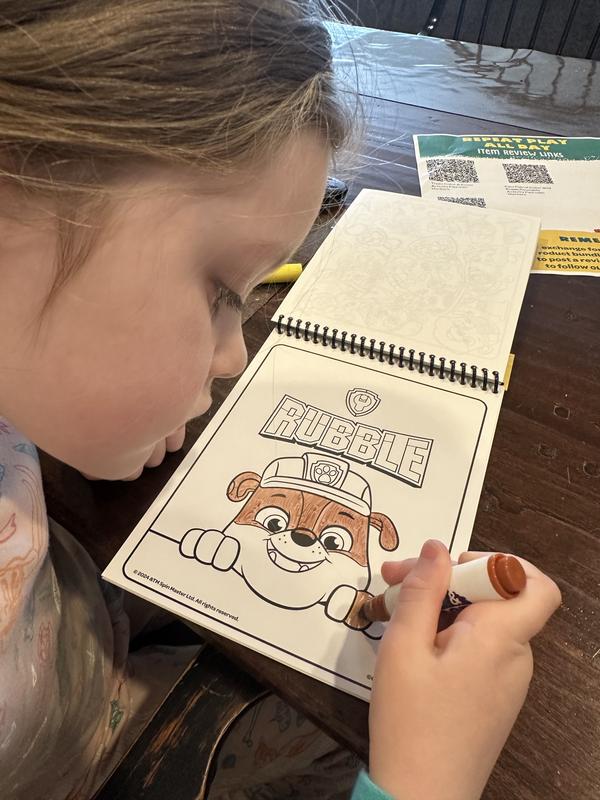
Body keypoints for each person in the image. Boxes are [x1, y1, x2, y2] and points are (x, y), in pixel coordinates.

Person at [0, 2, 560, 798]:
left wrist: (86, 408)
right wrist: (426, 780)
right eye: (223, 292)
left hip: (76, 623)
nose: (235, 358)